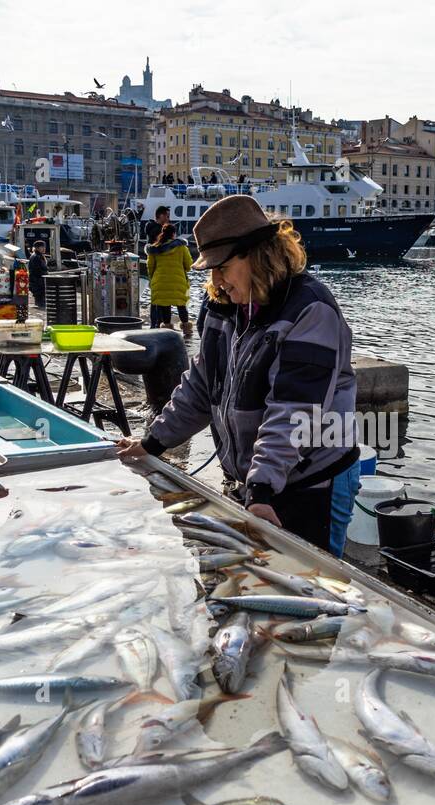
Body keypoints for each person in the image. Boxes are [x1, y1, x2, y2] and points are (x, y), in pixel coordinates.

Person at [118, 194, 361, 556]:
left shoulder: (310, 310)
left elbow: (295, 410)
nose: (216, 279)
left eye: (222, 267)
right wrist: (153, 444)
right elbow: (201, 385)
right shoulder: (223, 306)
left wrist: (260, 488)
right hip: (259, 480)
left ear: (258, 256)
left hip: (313, 482)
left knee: (311, 588)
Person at [146, 223, 192, 333]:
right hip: (178, 282)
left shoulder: (155, 249)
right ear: (174, 234)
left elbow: (150, 266)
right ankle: (186, 330)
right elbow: (189, 265)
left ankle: (167, 332)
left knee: (164, 308)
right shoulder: (182, 247)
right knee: (181, 306)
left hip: (160, 282)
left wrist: (153, 278)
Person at [28, 240, 49, 308]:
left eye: (44, 247)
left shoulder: (39, 256)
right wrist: (46, 273)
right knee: (40, 303)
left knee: (41, 302)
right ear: (37, 248)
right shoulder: (36, 257)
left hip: (39, 282)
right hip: (37, 283)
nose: (44, 248)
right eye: (42, 247)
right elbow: (36, 271)